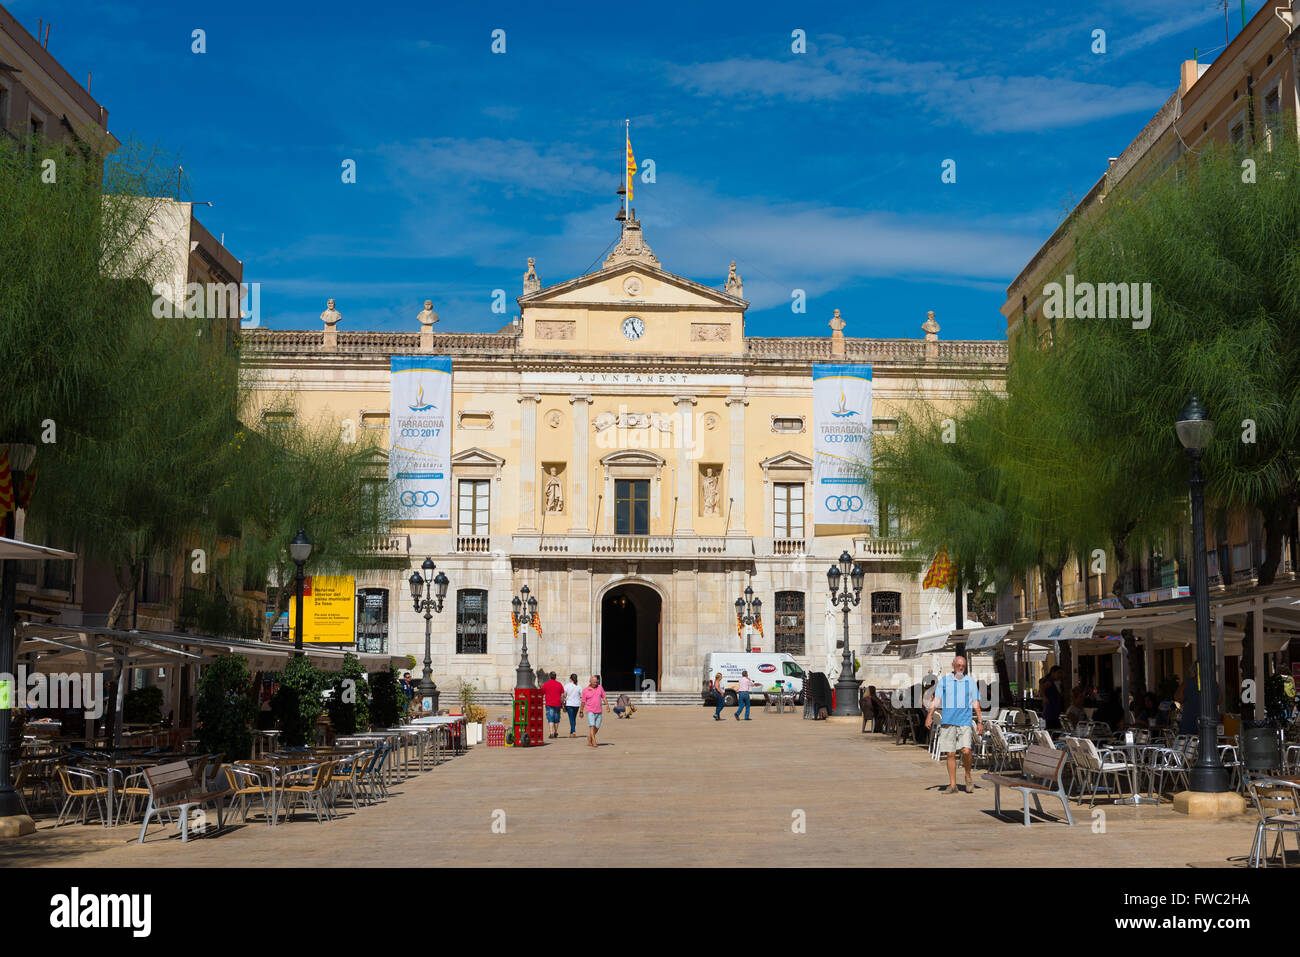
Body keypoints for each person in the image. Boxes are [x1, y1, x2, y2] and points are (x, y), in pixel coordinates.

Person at [925, 655, 984, 794]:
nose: (961, 667)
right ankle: (953, 785)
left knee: (966, 751)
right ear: (953, 666)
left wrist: (980, 721)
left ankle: (967, 775)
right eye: (958, 665)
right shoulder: (944, 681)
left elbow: (976, 702)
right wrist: (929, 715)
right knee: (950, 754)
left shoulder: (970, 682)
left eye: (963, 665)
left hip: (964, 721)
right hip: (948, 721)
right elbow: (937, 700)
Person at [581, 675, 607, 748]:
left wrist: (607, 705)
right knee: (592, 726)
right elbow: (583, 702)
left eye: (596, 682)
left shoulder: (600, 687)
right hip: (590, 711)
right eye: (594, 682)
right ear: (590, 682)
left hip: (599, 711)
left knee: (597, 727)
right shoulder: (585, 690)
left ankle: (590, 738)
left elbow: (604, 697)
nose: (596, 683)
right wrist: (581, 711)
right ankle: (594, 741)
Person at [541, 671, 564, 739]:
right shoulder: (559, 684)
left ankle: (551, 733)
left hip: (549, 704)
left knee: (550, 718)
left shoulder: (546, 684)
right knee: (556, 719)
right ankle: (555, 732)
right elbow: (562, 695)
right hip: (557, 704)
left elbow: (541, 693)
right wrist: (562, 703)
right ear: (555, 677)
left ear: (549, 677)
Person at [562, 673, 582, 738]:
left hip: (569, 704)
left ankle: (573, 731)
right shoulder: (579, 686)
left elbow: (564, 695)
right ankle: (571, 732)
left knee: (571, 718)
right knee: (573, 718)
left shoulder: (567, 685)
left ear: (570, 679)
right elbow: (581, 695)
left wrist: (563, 703)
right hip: (577, 704)